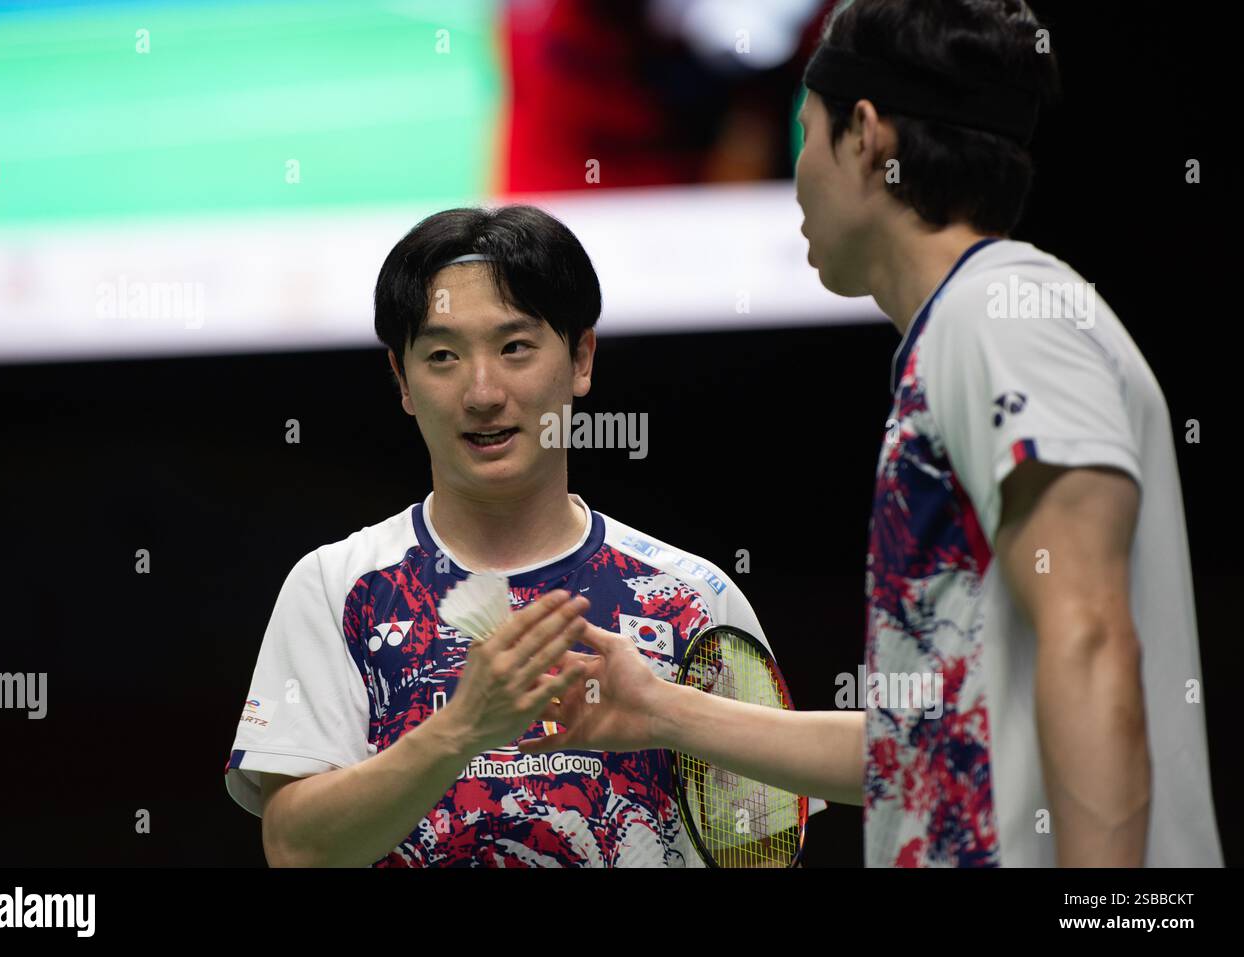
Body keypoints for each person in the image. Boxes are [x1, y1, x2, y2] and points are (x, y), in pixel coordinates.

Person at [525, 0, 1224, 868]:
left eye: (804, 135)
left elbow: (1090, 639)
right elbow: (924, 749)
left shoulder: (1004, 314)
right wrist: (659, 712)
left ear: (864, 137)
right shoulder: (967, 331)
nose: (794, 176)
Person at [222, 205, 809, 866]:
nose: (481, 391)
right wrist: (464, 726)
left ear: (581, 357)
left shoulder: (694, 596)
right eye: (442, 355)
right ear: (402, 379)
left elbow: (761, 841)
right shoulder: (337, 587)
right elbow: (296, 849)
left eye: (515, 347)